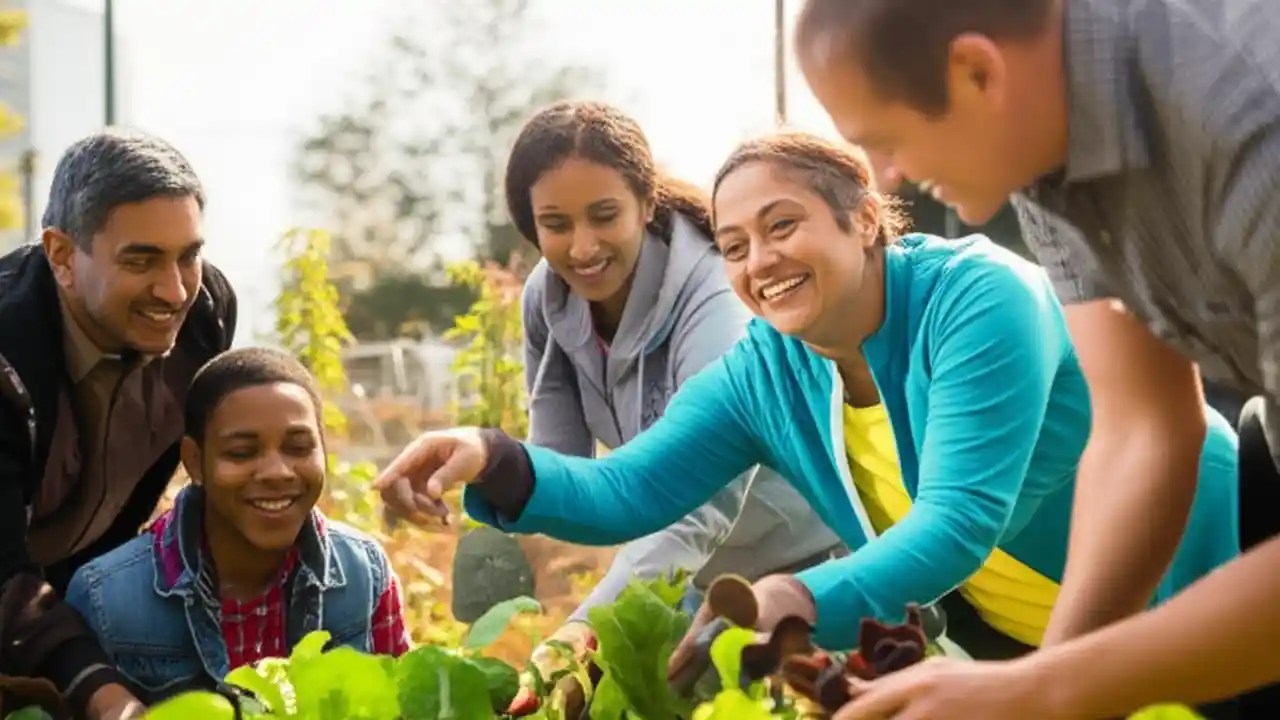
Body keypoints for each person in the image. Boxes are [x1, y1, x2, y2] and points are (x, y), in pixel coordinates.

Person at [375, 132, 1239, 684]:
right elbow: (627, 491)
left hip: (1211, 583)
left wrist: (792, 593)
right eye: (737, 245)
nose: (759, 262)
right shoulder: (768, 369)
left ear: (863, 219)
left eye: (783, 226)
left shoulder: (975, 298)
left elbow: (959, 521)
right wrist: (489, 454)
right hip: (1046, 644)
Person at [791, 0, 1280, 716]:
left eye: (885, 141)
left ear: (975, 71)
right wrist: (1045, 693)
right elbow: (1143, 429)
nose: (883, 178)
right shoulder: (1042, 147)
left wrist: (1039, 689)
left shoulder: (1253, 117)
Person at [493, 100, 844, 690]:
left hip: (808, 566)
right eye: (556, 224)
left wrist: (584, 630)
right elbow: (564, 473)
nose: (582, 247)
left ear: (646, 202)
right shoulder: (548, 300)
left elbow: (695, 503)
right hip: (691, 570)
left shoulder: (715, 302)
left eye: (604, 216)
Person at [0, 130, 237, 720]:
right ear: (60, 256)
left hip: (64, 600)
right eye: (141, 260)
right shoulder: (7, 354)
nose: (175, 289)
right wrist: (105, 696)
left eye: (188, 254)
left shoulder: (207, 314)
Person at [65, 347, 410, 705]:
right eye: (242, 453)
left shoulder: (364, 572)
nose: (277, 472)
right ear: (195, 462)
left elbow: (404, 706)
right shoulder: (106, 596)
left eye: (298, 447)